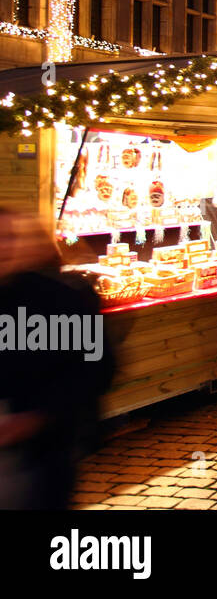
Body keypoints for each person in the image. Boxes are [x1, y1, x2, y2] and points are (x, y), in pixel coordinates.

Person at [0, 208, 116, 509]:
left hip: (38, 458)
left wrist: (36, 417)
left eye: (7, 238)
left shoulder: (59, 299)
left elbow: (97, 368)